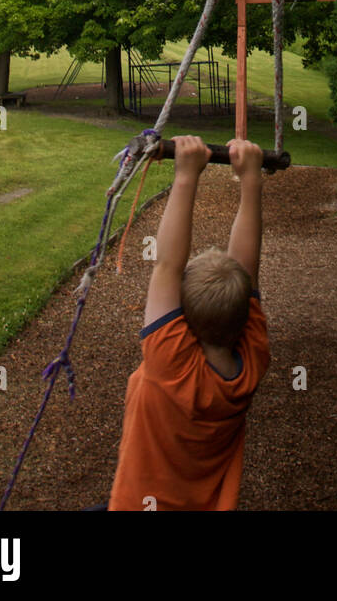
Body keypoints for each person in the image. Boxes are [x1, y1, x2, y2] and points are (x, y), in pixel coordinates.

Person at [106, 134, 270, 511]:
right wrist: (250, 181)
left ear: (183, 320)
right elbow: (244, 269)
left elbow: (167, 265)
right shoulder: (250, 363)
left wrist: (186, 175)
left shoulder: (172, 362)